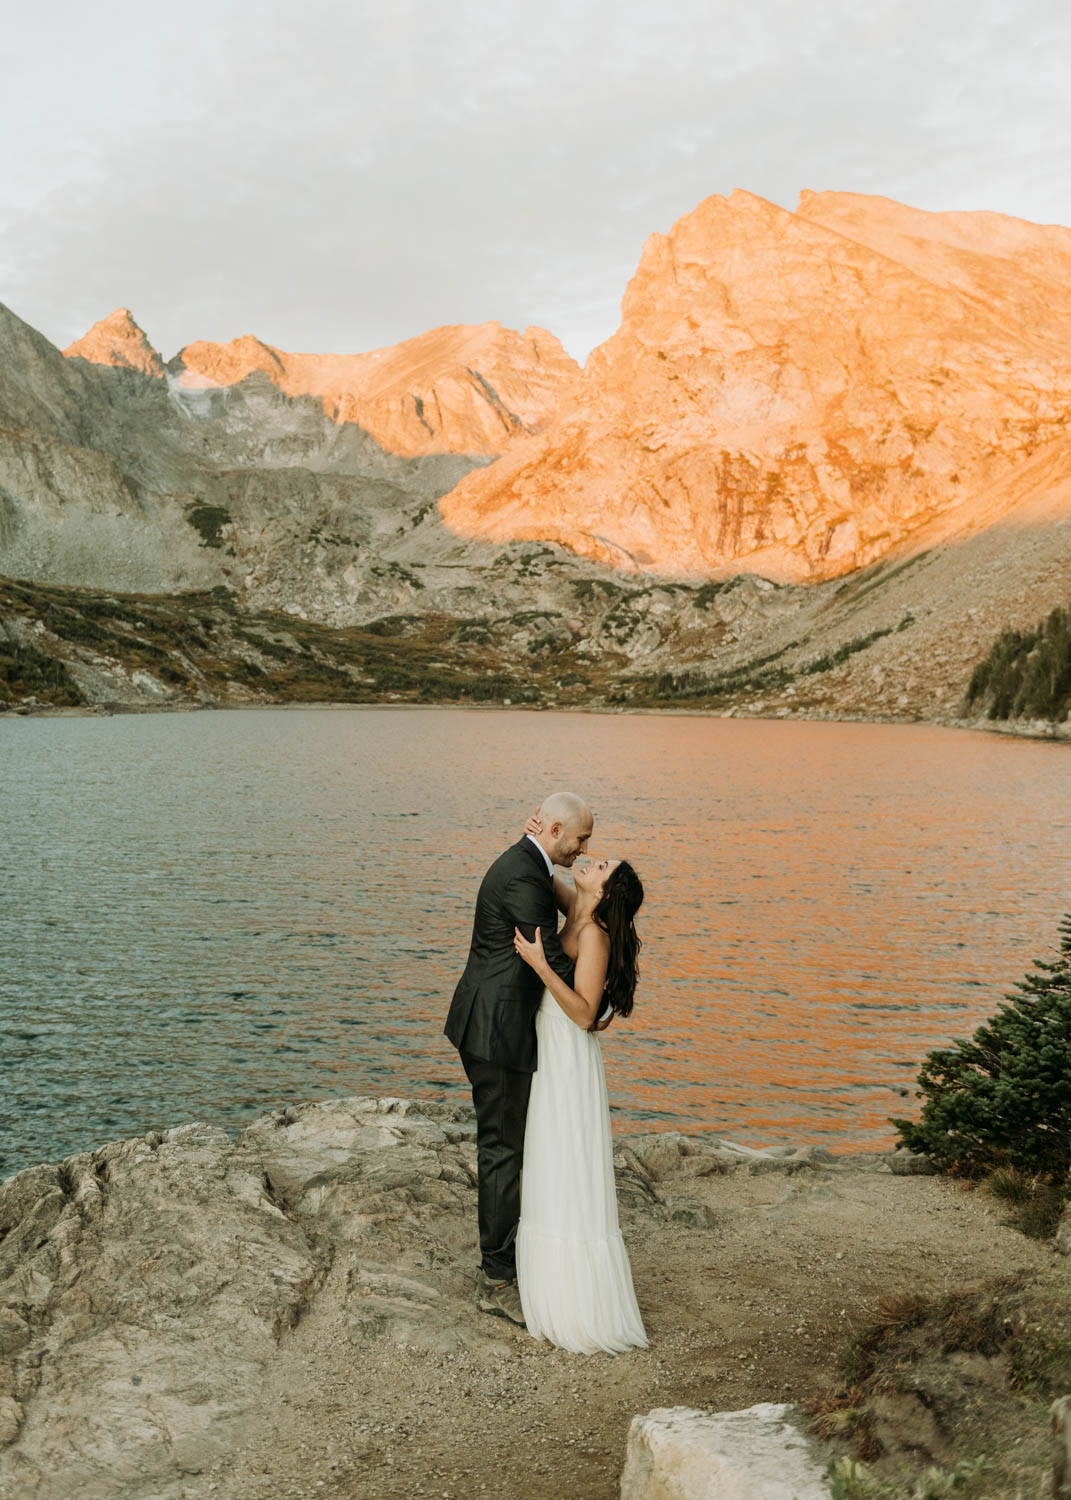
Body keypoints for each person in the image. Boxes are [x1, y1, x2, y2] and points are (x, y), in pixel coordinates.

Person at [444, 792, 594, 1324]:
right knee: (503, 1150)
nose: (583, 849)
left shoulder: (529, 861)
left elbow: (572, 909)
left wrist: (587, 903)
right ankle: (496, 1278)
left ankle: (504, 1261)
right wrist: (590, 929)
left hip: (494, 1022)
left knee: (506, 1144)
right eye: (580, 839)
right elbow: (553, 959)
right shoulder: (524, 876)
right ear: (553, 829)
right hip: (495, 1030)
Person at [512, 820, 647, 1355]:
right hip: (550, 1051)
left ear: (604, 890)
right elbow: (544, 873)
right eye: (592, 858)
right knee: (549, 1160)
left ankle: (579, 1303)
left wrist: (543, 966)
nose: (591, 862)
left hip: (568, 1055)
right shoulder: (577, 909)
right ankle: (550, 1289)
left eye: (600, 867)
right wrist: (538, 833)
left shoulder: (593, 935)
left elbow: (587, 1014)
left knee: (566, 1159)